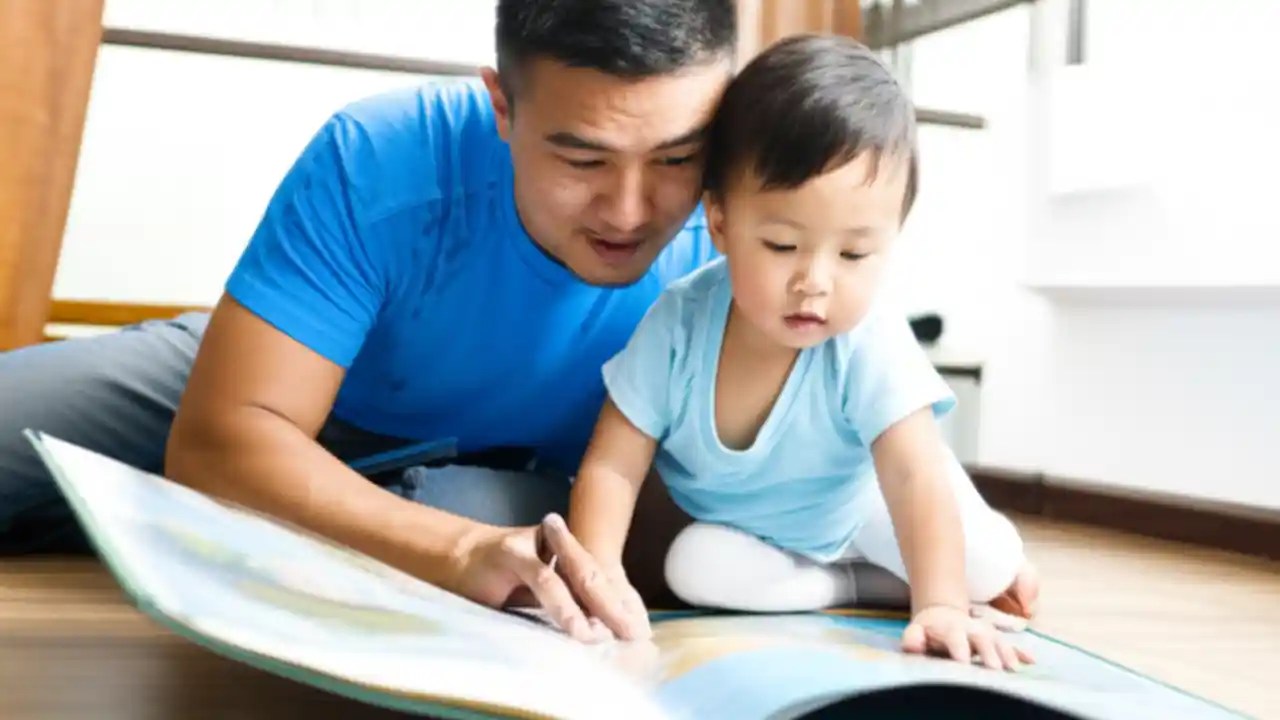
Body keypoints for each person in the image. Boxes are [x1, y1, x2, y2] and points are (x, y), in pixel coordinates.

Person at [0, 0, 735, 644]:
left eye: (676, 158)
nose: (631, 211)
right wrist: (453, 551)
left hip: (511, 486)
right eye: (583, 160)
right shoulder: (383, 153)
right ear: (502, 107)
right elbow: (221, 439)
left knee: (483, 524)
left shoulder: (750, 227)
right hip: (299, 391)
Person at [566, 34, 1041, 670]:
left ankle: (941, 570)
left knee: (979, 570)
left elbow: (911, 477)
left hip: (868, 509)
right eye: (784, 246)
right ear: (721, 223)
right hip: (766, 542)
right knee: (694, 568)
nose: (815, 281)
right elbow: (612, 467)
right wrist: (598, 579)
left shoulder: (865, 337)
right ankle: (851, 589)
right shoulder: (679, 325)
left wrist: (942, 606)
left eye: (853, 255)